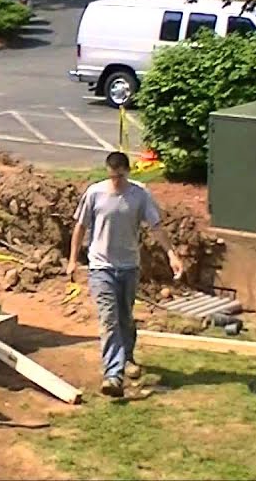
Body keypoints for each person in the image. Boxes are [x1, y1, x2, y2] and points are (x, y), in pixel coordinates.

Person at [66, 151, 183, 398]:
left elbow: (156, 227)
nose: (116, 181)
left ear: (128, 172)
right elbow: (81, 226)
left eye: (120, 176)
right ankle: (113, 374)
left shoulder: (139, 194)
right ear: (107, 172)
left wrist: (172, 255)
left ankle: (127, 357)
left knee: (125, 317)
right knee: (109, 319)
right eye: (112, 176)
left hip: (129, 266)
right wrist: (73, 260)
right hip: (100, 267)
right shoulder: (95, 193)